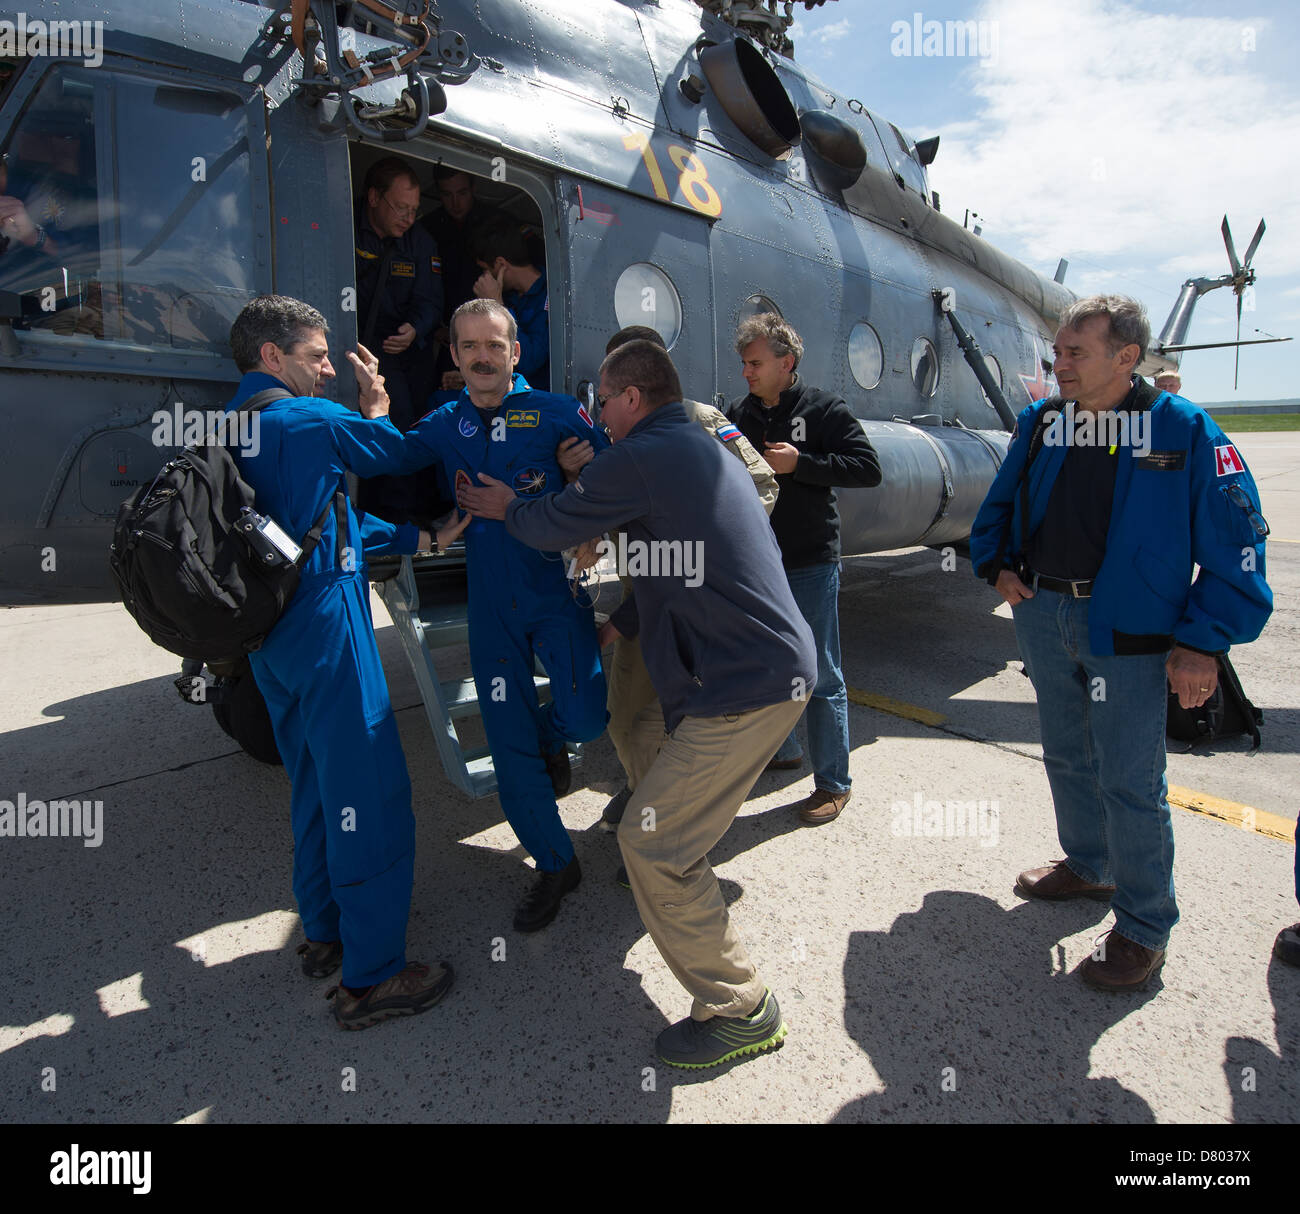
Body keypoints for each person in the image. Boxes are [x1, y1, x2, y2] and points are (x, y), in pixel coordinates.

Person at [460, 339, 816, 1070]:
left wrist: (508, 506)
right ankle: (676, 857)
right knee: (639, 727)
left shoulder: (644, 454)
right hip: (758, 669)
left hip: (743, 685)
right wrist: (615, 623)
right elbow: (669, 563)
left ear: (629, 398)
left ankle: (740, 1006)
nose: (598, 421)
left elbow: (551, 521)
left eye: (604, 406)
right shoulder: (695, 443)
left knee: (650, 845)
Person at [969, 294, 1272, 991]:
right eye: (1059, 350)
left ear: (1126, 357)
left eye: (1076, 352)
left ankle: (1143, 926)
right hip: (1045, 613)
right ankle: (1088, 865)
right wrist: (996, 563)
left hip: (1132, 634)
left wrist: (1201, 642)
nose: (1059, 364)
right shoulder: (1045, 422)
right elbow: (1003, 501)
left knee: (1132, 781)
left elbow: (1239, 547)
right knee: (1068, 753)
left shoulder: (1184, 431)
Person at [225, 295, 467, 1028]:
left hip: (269, 637)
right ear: (272, 356)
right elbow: (399, 452)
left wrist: (415, 539)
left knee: (315, 784)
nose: (330, 366)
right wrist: (381, 402)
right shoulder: (309, 420)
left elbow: (322, 516)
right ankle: (374, 975)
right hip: (325, 622)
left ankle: (325, 930)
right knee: (370, 789)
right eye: (316, 354)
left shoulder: (232, 424)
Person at [392, 298, 608, 932]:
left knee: (585, 718)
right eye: (469, 347)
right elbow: (387, 457)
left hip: (554, 595)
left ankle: (550, 738)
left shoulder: (556, 413)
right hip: (490, 607)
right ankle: (554, 862)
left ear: (516, 353)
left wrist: (579, 486)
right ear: (455, 357)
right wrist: (374, 411)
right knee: (508, 747)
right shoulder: (443, 423)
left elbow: (617, 477)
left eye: (494, 345)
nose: (482, 357)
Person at [560, 324, 778, 832]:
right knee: (624, 713)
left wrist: (714, 553)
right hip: (645, 595)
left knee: (691, 717)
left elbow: (762, 484)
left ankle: (671, 825)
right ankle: (644, 791)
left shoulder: (699, 420)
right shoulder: (607, 432)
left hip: (702, 596)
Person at [726, 313, 881, 825]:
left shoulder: (824, 409)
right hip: (759, 563)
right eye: (744, 363)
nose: (746, 372)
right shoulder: (741, 413)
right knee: (770, 664)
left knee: (822, 676)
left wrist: (804, 464)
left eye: (755, 363)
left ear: (785, 363)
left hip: (810, 560)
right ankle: (785, 748)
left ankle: (834, 782)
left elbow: (867, 468)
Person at [354, 156, 443, 522]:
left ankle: (397, 521)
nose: (408, 217)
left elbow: (430, 300)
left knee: (401, 426)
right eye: (400, 208)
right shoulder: (342, 225)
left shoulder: (420, 243)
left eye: (414, 209)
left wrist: (416, 329)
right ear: (374, 198)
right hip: (348, 348)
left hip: (397, 355)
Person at [421, 167, 501, 393]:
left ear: (474, 189)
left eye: (462, 193)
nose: (456, 203)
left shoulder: (495, 222)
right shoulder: (428, 229)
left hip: (489, 325)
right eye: (448, 195)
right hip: (446, 333)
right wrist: (433, 327)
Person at [469, 216, 549, 389]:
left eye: (486, 269)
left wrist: (498, 306)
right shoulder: (510, 297)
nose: (484, 277)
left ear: (500, 264)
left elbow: (529, 360)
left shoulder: (550, 297)